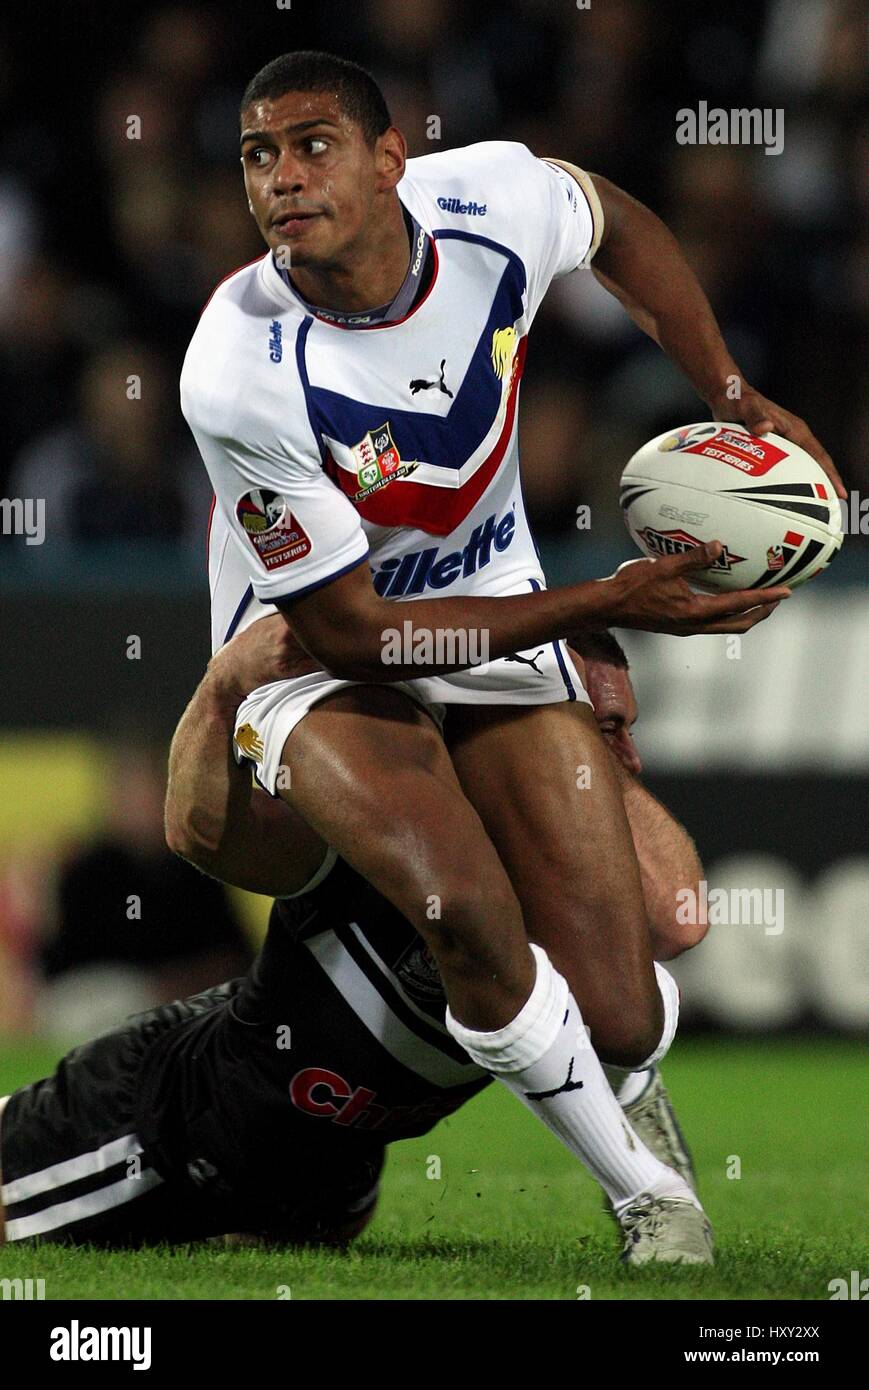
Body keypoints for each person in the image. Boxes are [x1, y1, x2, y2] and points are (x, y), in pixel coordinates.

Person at [181, 50, 831, 1258]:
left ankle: (619, 1081)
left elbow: (619, 227)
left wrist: (731, 391)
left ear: (391, 160)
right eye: (257, 156)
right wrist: (604, 603)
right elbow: (359, 632)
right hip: (310, 663)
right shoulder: (239, 369)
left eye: (313, 144)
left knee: (625, 1006)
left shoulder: (493, 201)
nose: (281, 178)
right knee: (465, 913)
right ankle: (649, 1199)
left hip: (489, 607)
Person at [0, 619, 706, 1263]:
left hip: (334, 1179)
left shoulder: (568, 887)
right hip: (175, 1122)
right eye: (602, 731)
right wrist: (223, 687)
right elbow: (198, 832)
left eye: (620, 733)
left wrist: (583, 759)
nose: (628, 758)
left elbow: (675, 919)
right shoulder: (385, 808)